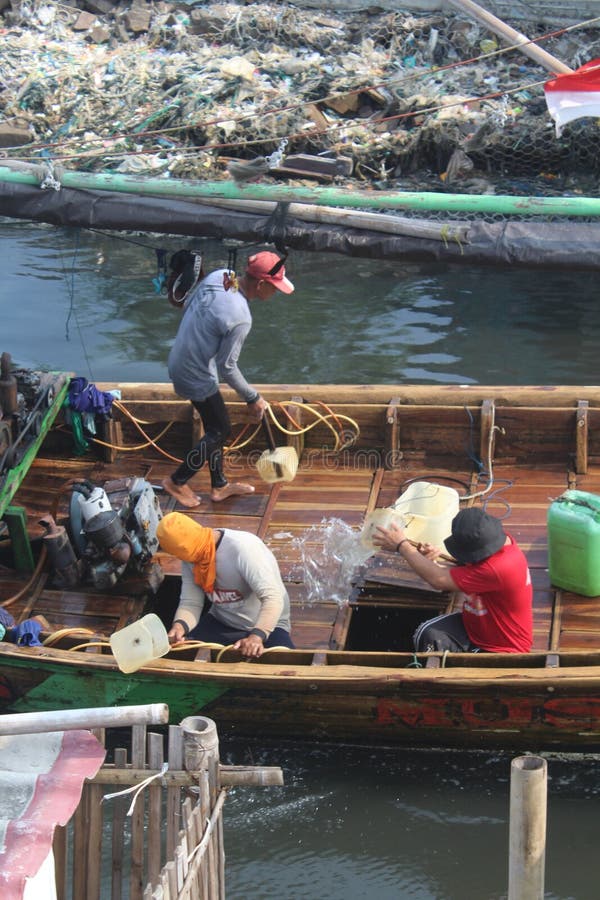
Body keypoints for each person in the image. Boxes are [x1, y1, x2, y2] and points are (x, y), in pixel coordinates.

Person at [162, 251, 294, 509]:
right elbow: (228, 367)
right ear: (260, 284)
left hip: (179, 359)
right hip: (195, 373)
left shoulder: (222, 275)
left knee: (216, 424)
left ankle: (219, 486)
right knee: (220, 429)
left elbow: (190, 304)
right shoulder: (241, 317)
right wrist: (253, 397)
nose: (275, 293)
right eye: (274, 288)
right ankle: (177, 481)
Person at [373, 506, 532, 654]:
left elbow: (438, 579)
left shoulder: (499, 568)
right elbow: (463, 570)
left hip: (501, 647)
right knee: (427, 634)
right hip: (477, 626)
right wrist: (431, 560)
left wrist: (402, 545)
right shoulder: (499, 543)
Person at [155, 512, 294, 658]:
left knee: (288, 666)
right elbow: (191, 602)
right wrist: (179, 627)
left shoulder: (244, 549)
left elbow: (273, 599)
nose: (188, 562)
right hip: (222, 621)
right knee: (178, 654)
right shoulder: (190, 557)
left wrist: (256, 637)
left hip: (267, 626)